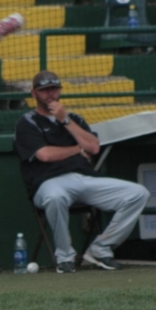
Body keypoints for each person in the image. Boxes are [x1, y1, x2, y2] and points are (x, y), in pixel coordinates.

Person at [14, 70, 150, 274]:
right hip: (48, 183)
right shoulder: (27, 122)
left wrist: (66, 121)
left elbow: (94, 147)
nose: (50, 94)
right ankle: (64, 257)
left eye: (54, 89)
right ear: (34, 94)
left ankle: (100, 249)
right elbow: (45, 155)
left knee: (138, 193)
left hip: (84, 179)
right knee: (55, 197)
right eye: (44, 90)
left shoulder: (74, 118)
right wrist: (78, 149)